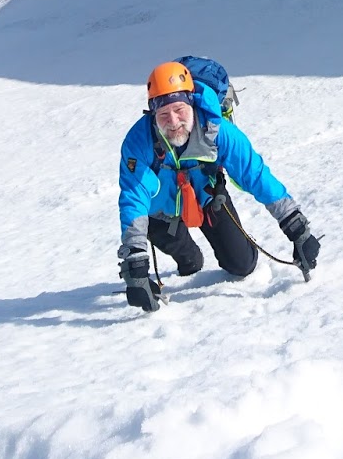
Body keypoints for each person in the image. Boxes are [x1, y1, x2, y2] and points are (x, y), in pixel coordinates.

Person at [117, 59, 320, 311]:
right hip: (161, 213)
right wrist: (135, 263)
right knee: (190, 264)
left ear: (191, 102)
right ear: (152, 114)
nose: (173, 121)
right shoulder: (138, 142)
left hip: (207, 200)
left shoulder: (218, 131)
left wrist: (297, 227)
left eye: (179, 109)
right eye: (163, 114)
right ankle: (189, 254)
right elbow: (133, 197)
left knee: (242, 265)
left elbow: (255, 175)